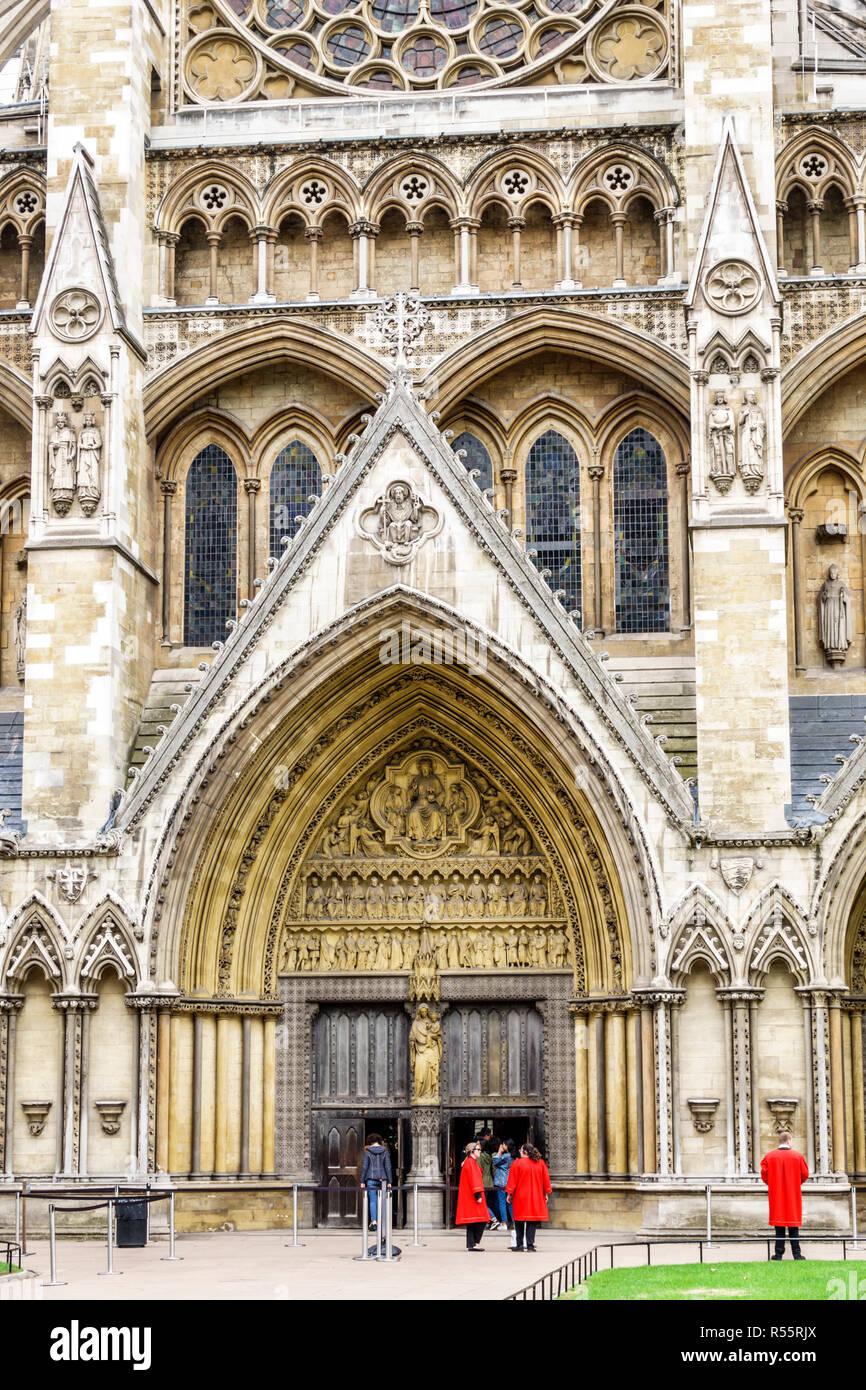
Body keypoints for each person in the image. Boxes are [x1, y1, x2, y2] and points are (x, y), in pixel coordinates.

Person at [760, 1129, 809, 1260]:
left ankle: (778, 1254)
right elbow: (805, 1174)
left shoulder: (769, 1157)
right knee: (793, 1226)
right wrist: (795, 1183)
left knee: (779, 1225)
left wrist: (773, 1183)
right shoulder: (798, 1156)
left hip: (777, 1195)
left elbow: (764, 1175)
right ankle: (797, 1254)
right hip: (793, 1194)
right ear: (789, 1141)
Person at [506, 1141, 552, 1252]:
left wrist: (509, 1193)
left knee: (519, 1221)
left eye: (521, 1150)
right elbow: (546, 1180)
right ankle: (530, 1245)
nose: (519, 1152)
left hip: (520, 1196)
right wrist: (545, 1193)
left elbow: (512, 1181)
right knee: (532, 1221)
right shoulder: (540, 1163)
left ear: (525, 1152)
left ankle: (520, 1244)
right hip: (536, 1196)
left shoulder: (517, 1163)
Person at [456, 1140, 488, 1251]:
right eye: (478, 1150)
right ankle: (474, 1243)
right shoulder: (470, 1163)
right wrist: (478, 1195)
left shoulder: (470, 1162)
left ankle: (472, 1244)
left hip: (471, 1196)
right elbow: (474, 1180)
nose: (480, 1151)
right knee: (480, 1220)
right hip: (473, 1196)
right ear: (471, 1151)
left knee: (473, 1221)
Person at [360, 1132, 392, 1232]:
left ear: (370, 1141)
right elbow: (388, 1166)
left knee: (373, 1201)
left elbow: (365, 1167)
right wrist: (389, 1181)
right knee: (383, 1201)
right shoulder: (385, 1151)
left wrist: (362, 1180)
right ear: (379, 1140)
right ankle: (383, 1222)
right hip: (383, 1179)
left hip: (370, 1179)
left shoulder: (367, 1151)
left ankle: (374, 1222)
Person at [493, 1138, 518, 1232]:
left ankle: (504, 1223)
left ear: (506, 1145)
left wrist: (499, 1152)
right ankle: (515, 1222)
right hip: (509, 1181)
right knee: (510, 1203)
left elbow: (495, 1162)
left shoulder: (506, 1156)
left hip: (501, 1181)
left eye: (503, 1144)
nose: (502, 1146)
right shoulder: (513, 1156)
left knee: (502, 1203)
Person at [475, 1128, 498, 1228]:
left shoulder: (480, 1157)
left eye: (478, 1144)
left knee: (482, 1203)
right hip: (489, 1182)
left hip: (482, 1182)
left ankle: (493, 1219)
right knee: (487, 1202)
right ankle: (486, 1221)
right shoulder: (489, 1156)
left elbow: (478, 1170)